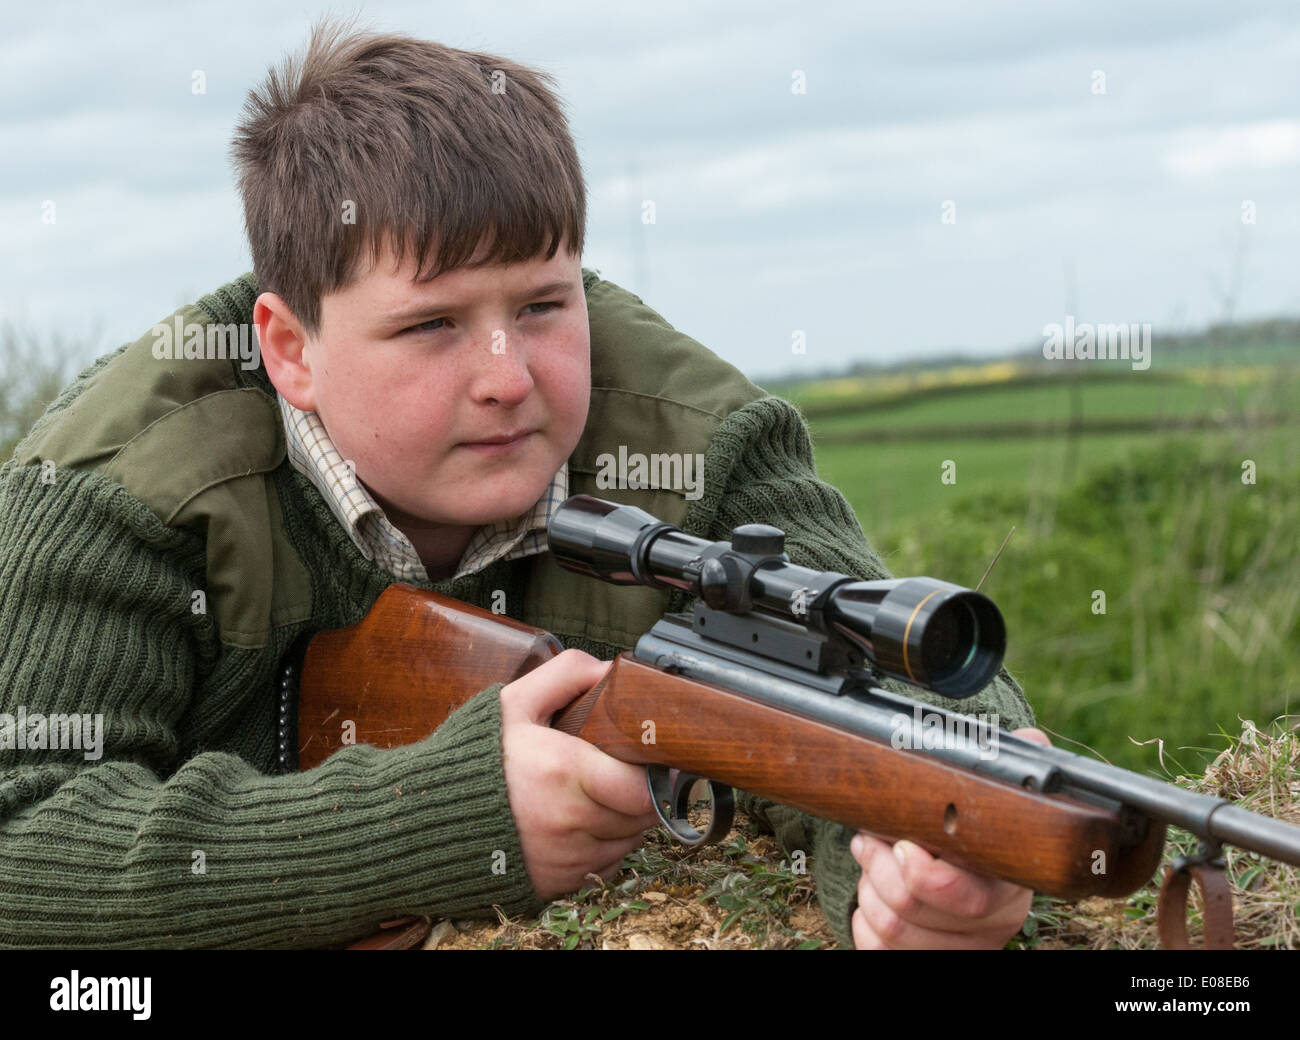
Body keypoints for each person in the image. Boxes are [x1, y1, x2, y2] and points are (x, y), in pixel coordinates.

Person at [0, 18, 1045, 950]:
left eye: (544, 305)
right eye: (431, 325)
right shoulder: (116, 488)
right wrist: (436, 823)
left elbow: (872, 692)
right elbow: (21, 845)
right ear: (290, 349)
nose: (508, 378)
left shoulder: (697, 437)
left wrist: (921, 883)